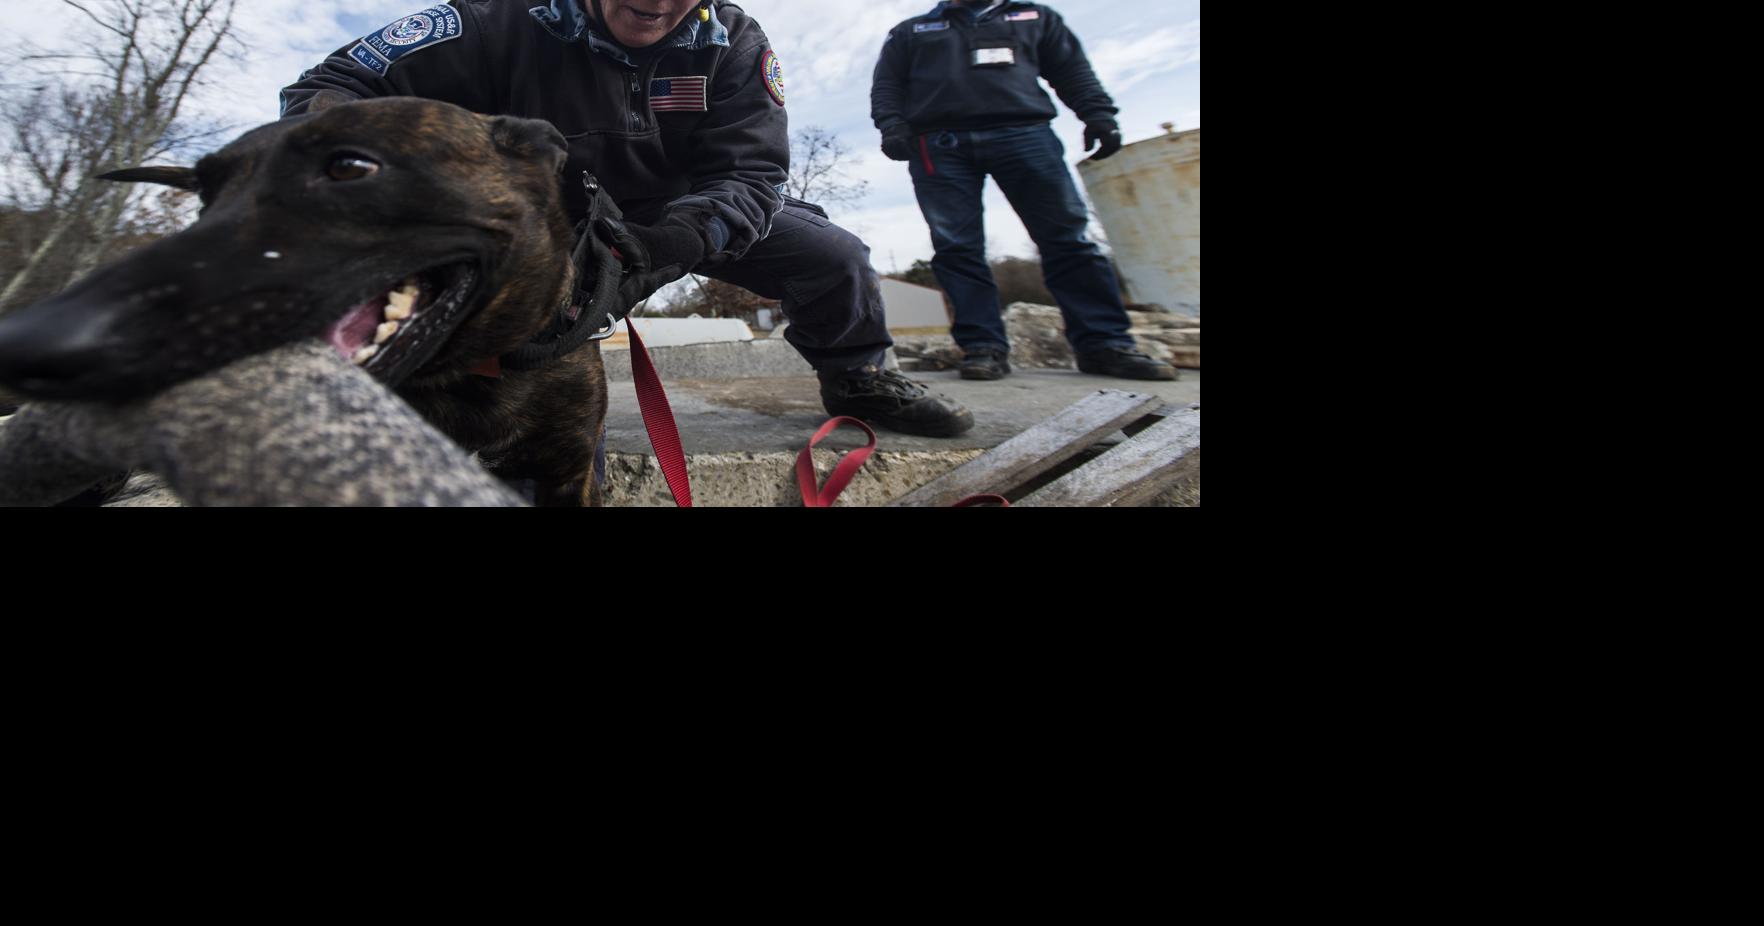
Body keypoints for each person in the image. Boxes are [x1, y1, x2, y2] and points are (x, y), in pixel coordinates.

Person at [281, 0, 974, 437]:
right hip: (542, 218)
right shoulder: (493, 21)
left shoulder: (732, 43)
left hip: (677, 215)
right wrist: (413, 190)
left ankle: (856, 375)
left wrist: (667, 242)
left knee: (835, 255)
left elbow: (753, 174)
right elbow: (325, 89)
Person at [871, 0, 1176, 381]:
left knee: (1068, 237)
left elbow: (1071, 69)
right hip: (940, 143)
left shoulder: (1035, 17)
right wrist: (891, 125)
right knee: (957, 246)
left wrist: (1098, 114)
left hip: (1025, 134)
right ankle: (982, 346)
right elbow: (887, 85)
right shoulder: (912, 30)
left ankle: (1105, 343)